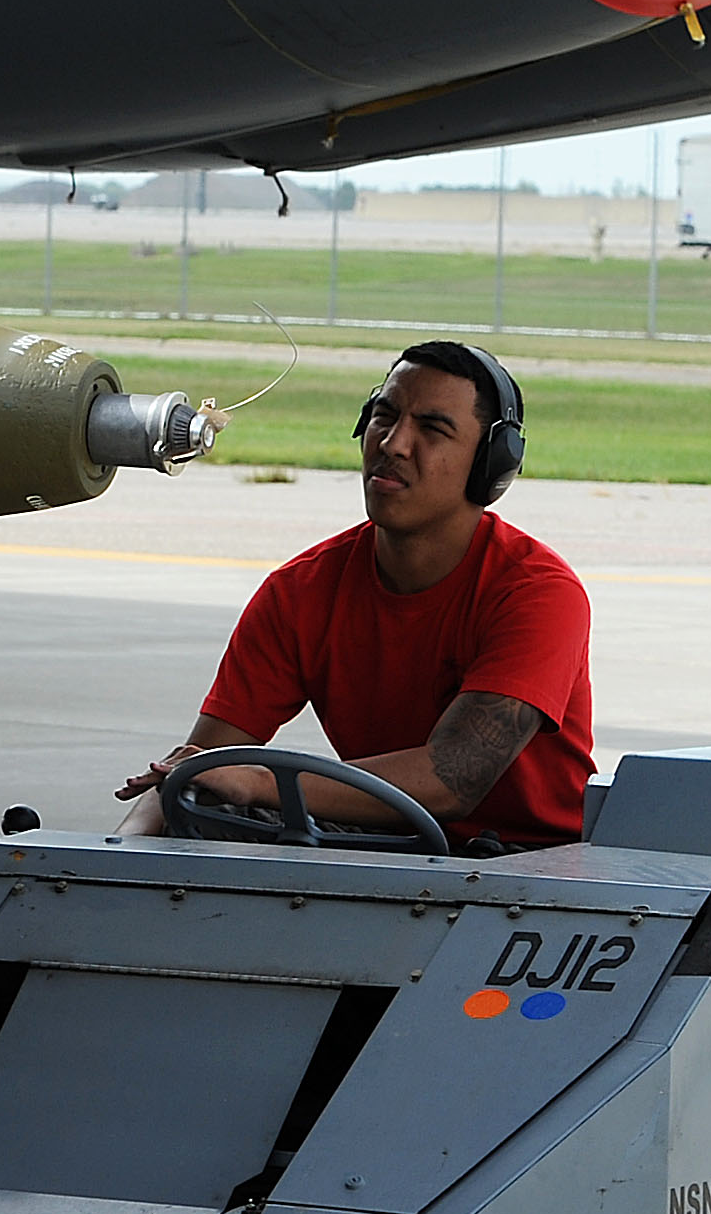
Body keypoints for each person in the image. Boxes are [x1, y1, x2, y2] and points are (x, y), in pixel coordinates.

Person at [118, 341, 593, 847]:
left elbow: (453, 778)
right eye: (384, 416)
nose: (393, 444)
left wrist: (259, 782)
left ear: (490, 465)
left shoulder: (536, 592)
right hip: (392, 841)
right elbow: (203, 764)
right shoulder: (301, 590)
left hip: (538, 863)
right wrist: (116, 852)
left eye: (432, 429)